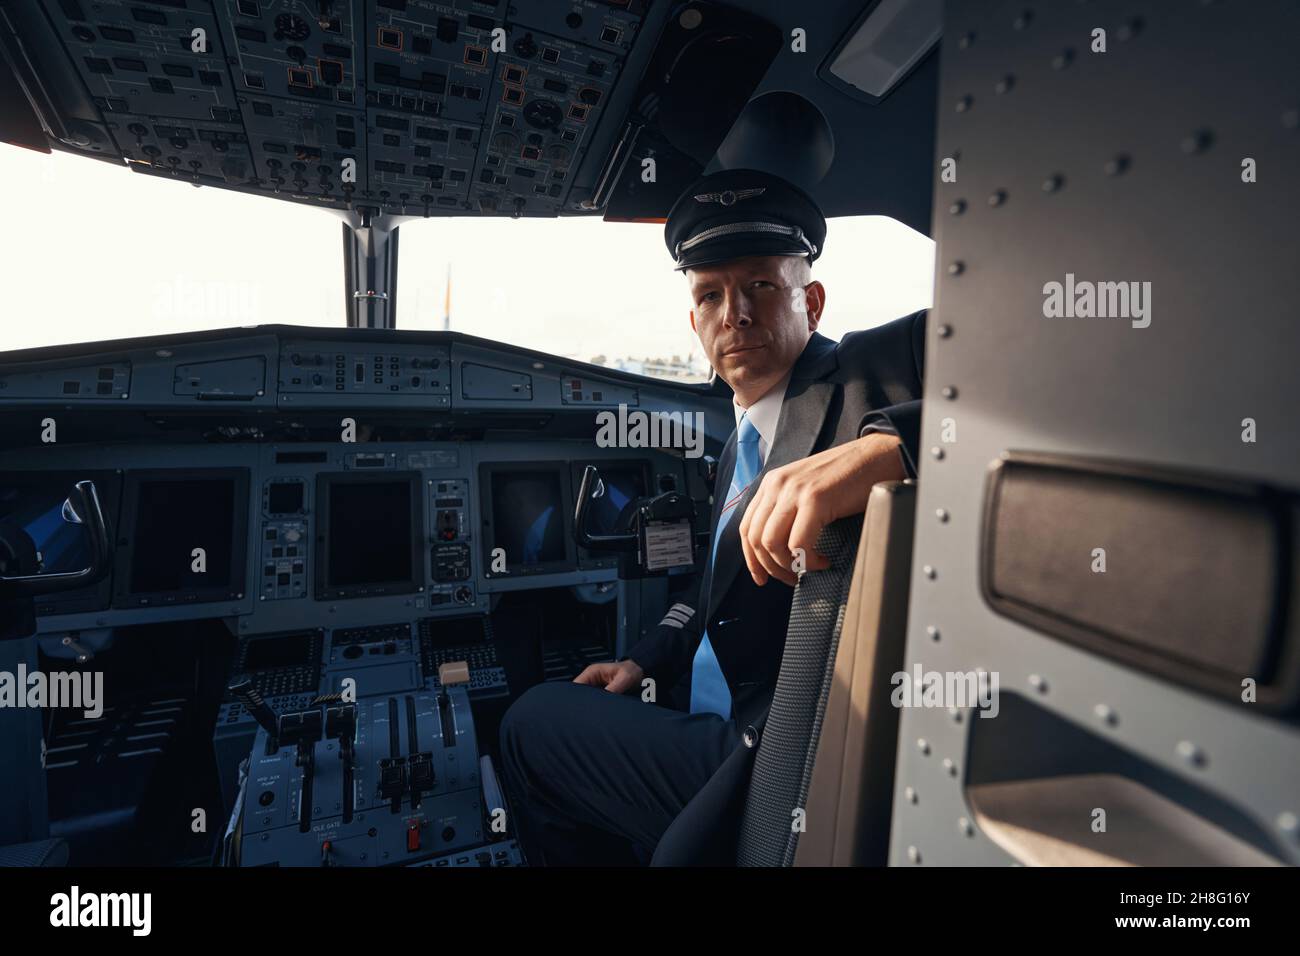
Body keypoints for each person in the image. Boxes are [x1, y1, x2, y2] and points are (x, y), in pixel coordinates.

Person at [498, 168, 926, 865]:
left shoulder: (879, 367)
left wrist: (892, 446)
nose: (736, 313)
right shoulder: (737, 442)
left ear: (811, 301)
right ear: (694, 321)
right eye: (710, 295)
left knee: (528, 723)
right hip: (706, 715)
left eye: (761, 285)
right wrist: (640, 660)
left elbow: (1046, 382)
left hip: (780, 754)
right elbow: (707, 594)